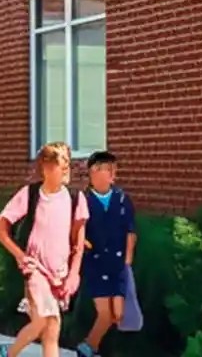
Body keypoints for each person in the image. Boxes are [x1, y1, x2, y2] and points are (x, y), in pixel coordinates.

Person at [0, 142, 89, 357]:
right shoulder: (30, 194)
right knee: (45, 319)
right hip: (35, 268)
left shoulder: (76, 199)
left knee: (51, 331)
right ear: (45, 168)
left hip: (59, 273)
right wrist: (20, 255)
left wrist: (74, 274)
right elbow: (0, 227)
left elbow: (78, 242)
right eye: (60, 165)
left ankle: (10, 351)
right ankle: (9, 353)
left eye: (67, 164)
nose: (66, 170)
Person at [76, 151, 137, 357]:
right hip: (96, 263)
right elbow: (74, 229)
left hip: (118, 263)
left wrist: (128, 260)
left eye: (114, 170)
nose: (113, 174)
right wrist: (82, 243)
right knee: (104, 313)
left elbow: (130, 230)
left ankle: (89, 345)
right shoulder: (84, 200)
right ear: (94, 172)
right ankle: (87, 349)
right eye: (108, 169)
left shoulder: (121, 199)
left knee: (117, 314)